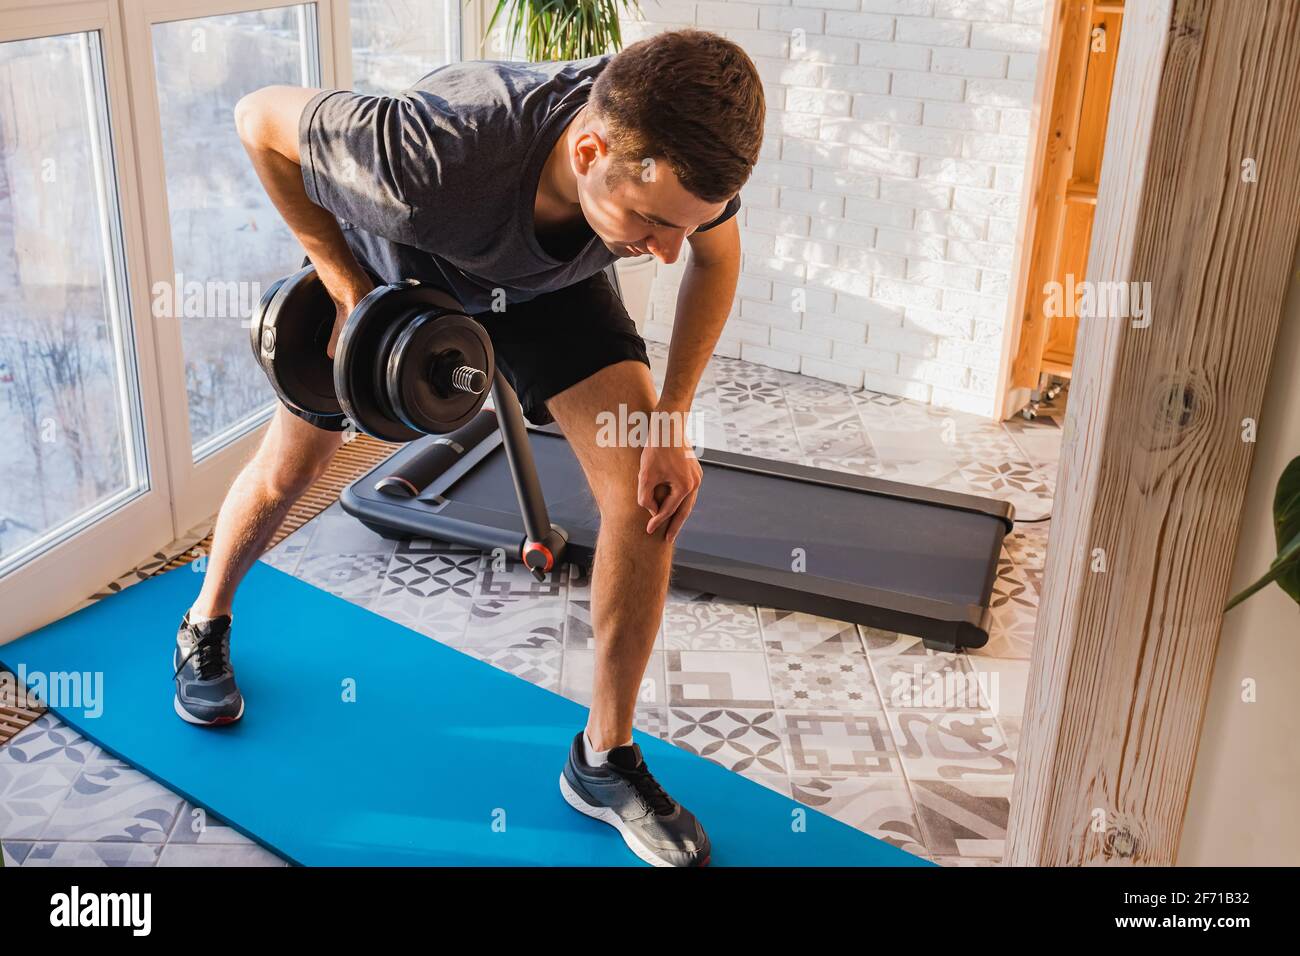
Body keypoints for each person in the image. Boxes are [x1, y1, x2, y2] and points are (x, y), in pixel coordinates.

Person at [172, 27, 764, 867]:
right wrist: (346, 290)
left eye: (682, 226)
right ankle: (205, 620)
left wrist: (669, 419)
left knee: (647, 490)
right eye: (653, 223)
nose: (666, 250)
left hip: (549, 287)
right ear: (590, 151)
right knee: (289, 470)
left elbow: (715, 257)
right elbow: (256, 118)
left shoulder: (679, 143)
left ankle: (603, 757)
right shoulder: (428, 156)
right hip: (408, 268)